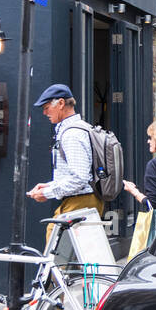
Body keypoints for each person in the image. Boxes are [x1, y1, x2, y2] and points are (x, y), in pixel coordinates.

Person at [25, 84, 103, 217]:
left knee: (54, 235)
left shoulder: (72, 134)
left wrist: (47, 192)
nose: (44, 113)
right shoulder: (82, 128)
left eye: (47, 108)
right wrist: (50, 186)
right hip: (84, 200)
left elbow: (79, 178)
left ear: (61, 103)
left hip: (80, 201)